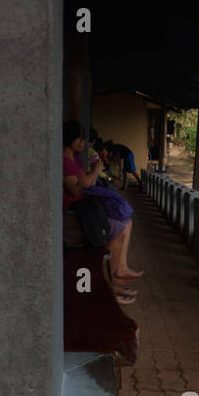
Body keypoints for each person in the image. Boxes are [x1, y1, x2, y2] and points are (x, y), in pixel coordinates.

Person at [65, 121, 144, 288]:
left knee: (127, 222)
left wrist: (91, 176)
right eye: (79, 138)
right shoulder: (65, 161)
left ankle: (121, 268)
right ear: (69, 139)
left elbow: (85, 182)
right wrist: (95, 171)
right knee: (117, 227)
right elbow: (78, 188)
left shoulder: (76, 158)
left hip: (85, 204)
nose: (83, 143)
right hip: (75, 210)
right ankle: (111, 279)